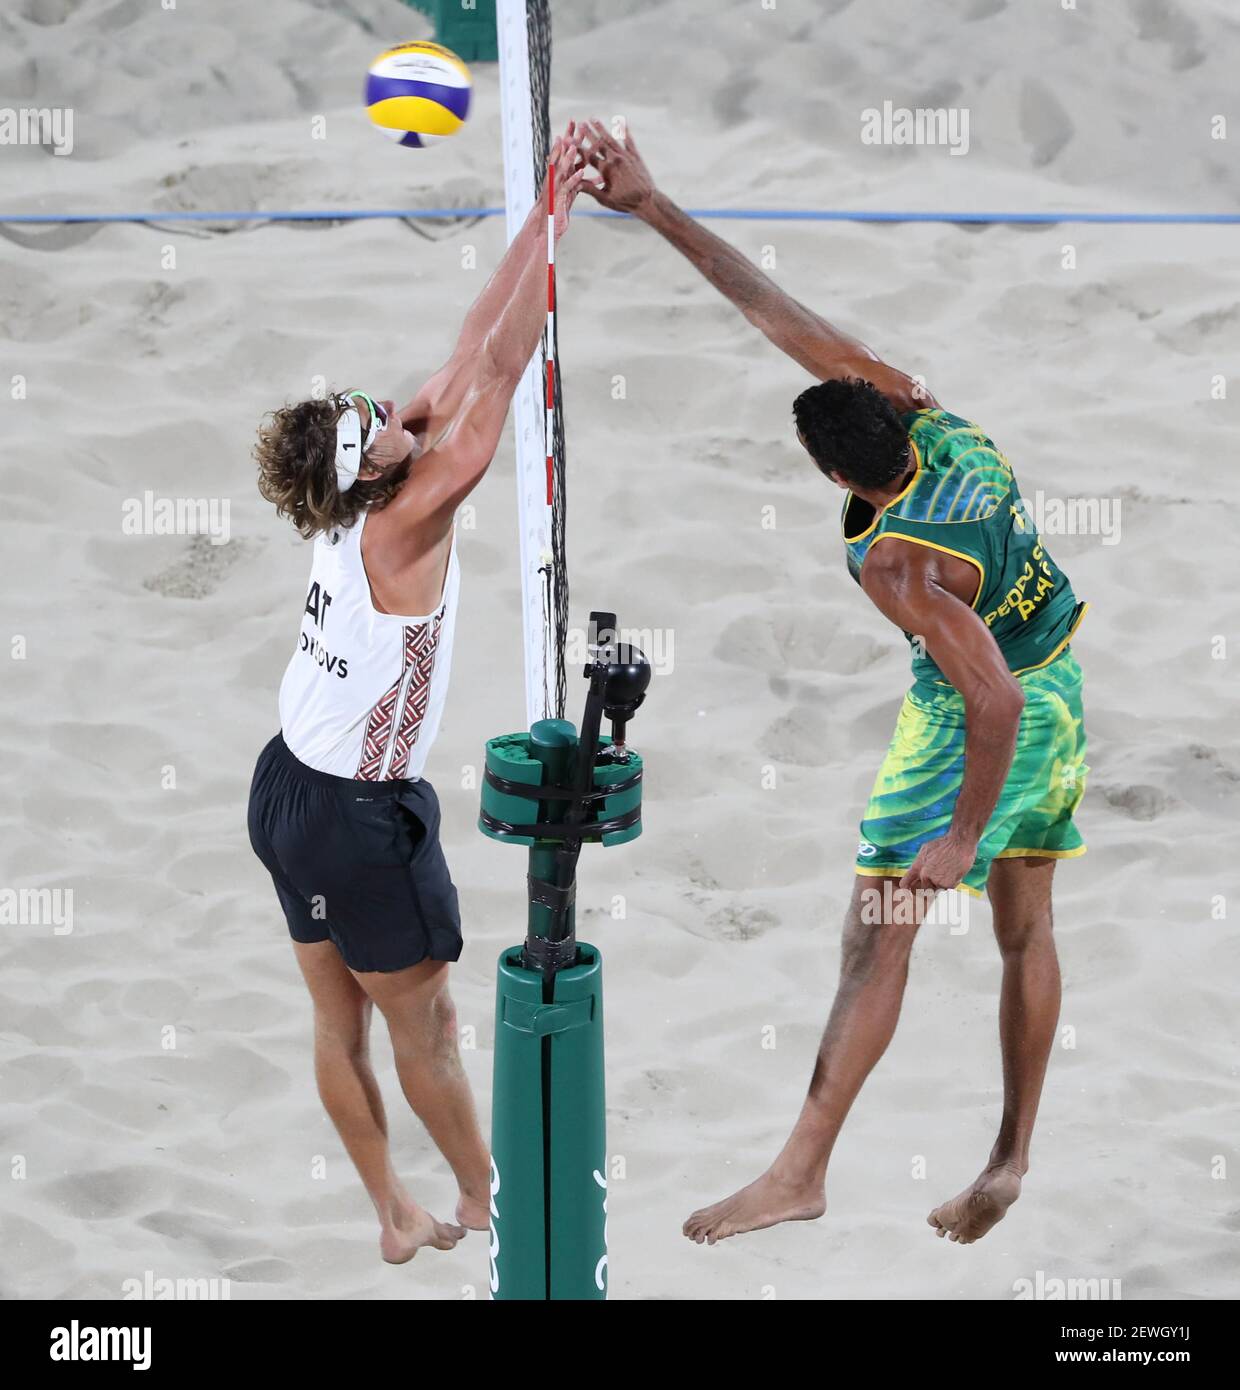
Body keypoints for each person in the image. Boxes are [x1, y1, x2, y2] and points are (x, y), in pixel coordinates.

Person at [575, 122, 1088, 1247]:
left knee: (879, 927)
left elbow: (986, 698)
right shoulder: (934, 417)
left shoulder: (892, 561)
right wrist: (655, 209)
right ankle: (1009, 1155)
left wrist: (956, 832)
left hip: (982, 718)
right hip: (1061, 687)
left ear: (828, 470)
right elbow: (779, 315)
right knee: (1026, 927)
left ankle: (800, 1170)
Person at [247, 132, 584, 1264]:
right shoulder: (411, 512)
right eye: (371, 418)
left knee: (334, 1019)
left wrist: (542, 207)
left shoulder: (359, 498)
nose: (386, 405)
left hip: (283, 784)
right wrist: (565, 219)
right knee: (424, 1021)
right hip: (352, 815)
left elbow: (467, 346)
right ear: (373, 465)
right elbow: (499, 372)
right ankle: (490, 1201)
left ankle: (392, 1210)